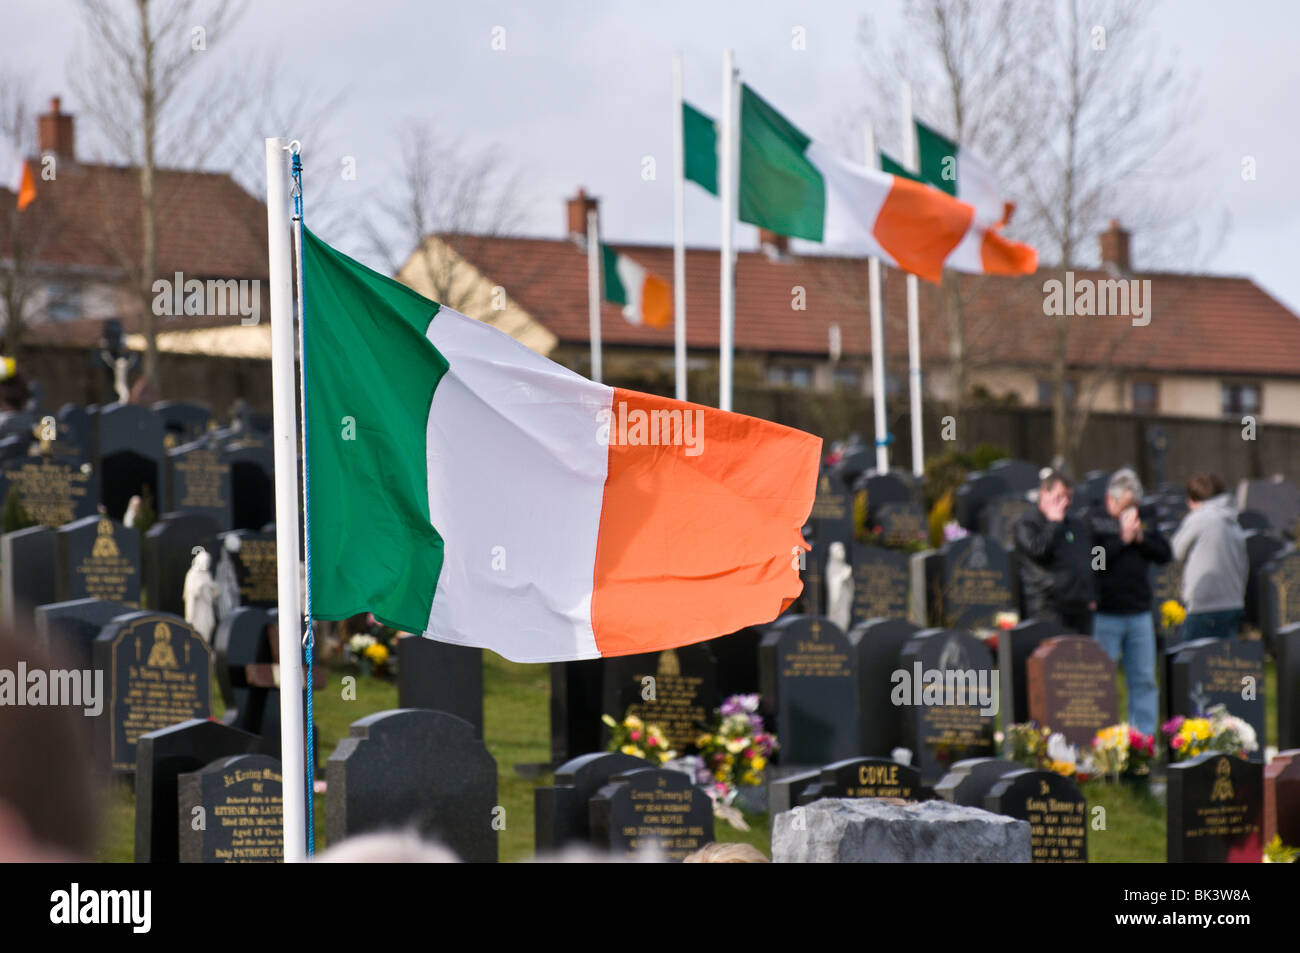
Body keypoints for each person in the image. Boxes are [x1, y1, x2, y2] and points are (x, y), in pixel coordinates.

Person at [1087, 468, 1170, 736]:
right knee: (1101, 682)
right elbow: (1094, 562)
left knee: (1144, 680)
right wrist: (1121, 540)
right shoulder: (1095, 519)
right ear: (1110, 500)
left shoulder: (1144, 518)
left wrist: (1141, 538)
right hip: (1106, 614)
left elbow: (1164, 553)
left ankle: (1142, 742)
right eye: (1125, 506)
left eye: (1134, 505)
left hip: (1139, 613)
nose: (1131, 511)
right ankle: (1103, 743)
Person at [1014, 467, 1095, 633]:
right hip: (1047, 606)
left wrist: (1093, 593)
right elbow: (1038, 550)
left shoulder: (1076, 524)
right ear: (1044, 493)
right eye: (1059, 497)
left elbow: (1093, 555)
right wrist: (1054, 524)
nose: (1065, 503)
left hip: (1079, 606)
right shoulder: (1027, 523)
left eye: (1069, 497)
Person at [1171, 473, 1248, 640]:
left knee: (1193, 660)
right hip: (1233, 601)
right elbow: (1244, 564)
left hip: (1205, 604)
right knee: (1224, 662)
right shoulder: (1232, 518)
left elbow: (1177, 550)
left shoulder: (1200, 518)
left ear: (1193, 499)